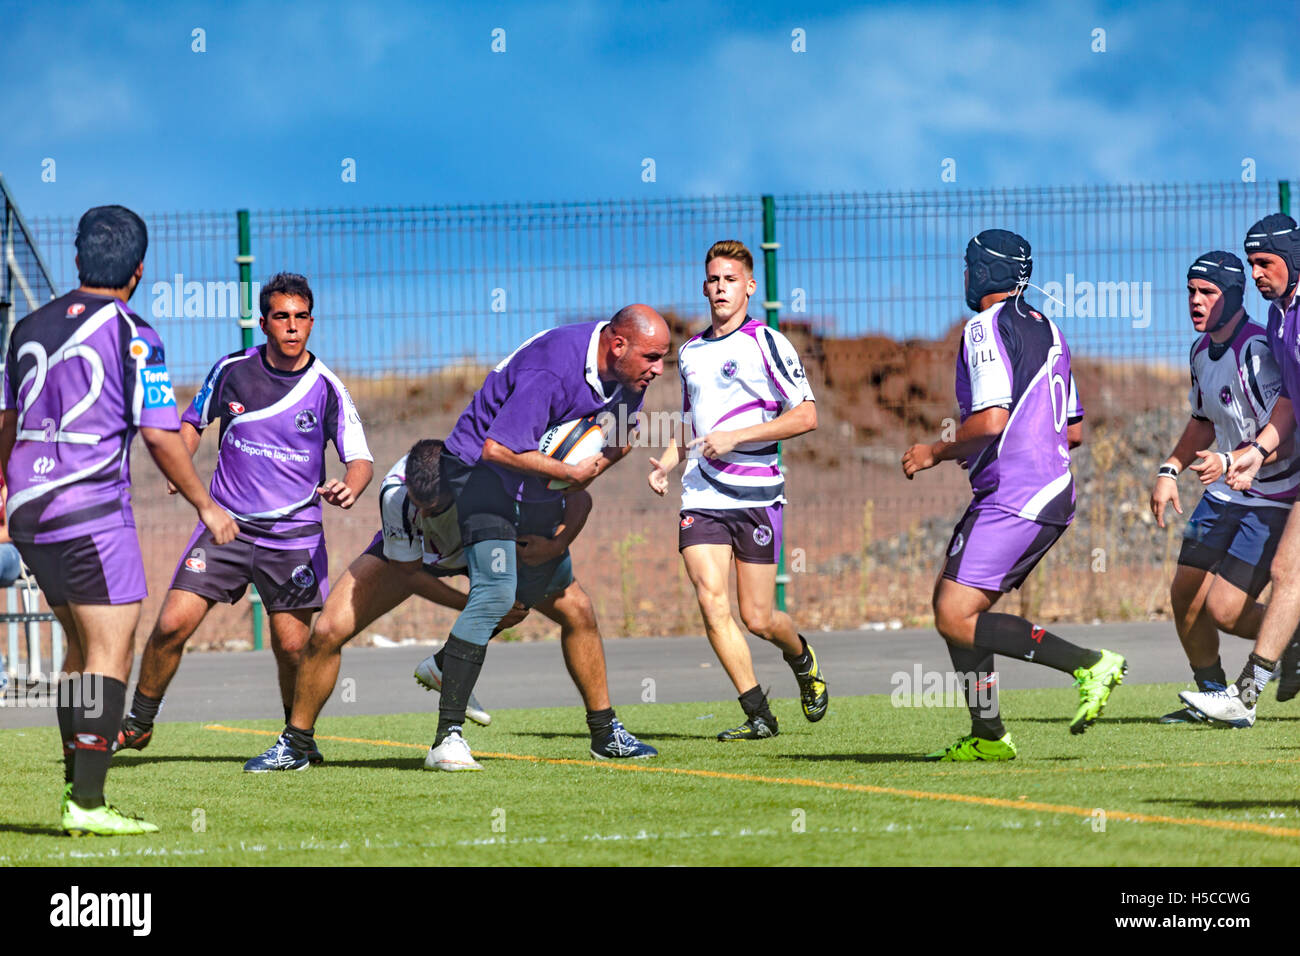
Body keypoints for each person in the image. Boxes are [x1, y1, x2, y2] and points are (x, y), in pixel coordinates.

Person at [0, 205, 237, 834]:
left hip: (29, 510)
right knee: (109, 648)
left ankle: (77, 783)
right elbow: (161, 436)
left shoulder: (26, 327)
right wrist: (207, 505)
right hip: (91, 510)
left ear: (77, 260)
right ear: (138, 270)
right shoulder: (135, 332)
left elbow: (6, 421)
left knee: (79, 648)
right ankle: (87, 801)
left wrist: (1, 488)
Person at [242, 438, 657, 771]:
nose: (424, 514)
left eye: (435, 507)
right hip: (415, 559)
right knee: (328, 631)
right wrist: (473, 605)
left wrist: (558, 542)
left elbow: (579, 500)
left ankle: (605, 735)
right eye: (418, 506)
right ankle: (296, 745)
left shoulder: (494, 479)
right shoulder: (394, 494)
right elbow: (408, 573)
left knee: (579, 612)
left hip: (487, 548)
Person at [115, 273, 373, 755]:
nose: (292, 327)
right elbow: (192, 422)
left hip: (293, 538)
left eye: (300, 318)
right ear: (264, 323)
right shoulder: (232, 370)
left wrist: (350, 487)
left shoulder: (327, 387)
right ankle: (139, 722)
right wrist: (183, 458)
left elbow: (360, 459)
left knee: (293, 647)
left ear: (312, 323)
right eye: (281, 317)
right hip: (225, 526)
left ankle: (296, 739)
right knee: (171, 624)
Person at [901, 228, 1126, 761]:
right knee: (955, 609)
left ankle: (1089, 664)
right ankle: (988, 736)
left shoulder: (982, 327)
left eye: (967, 266)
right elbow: (1072, 431)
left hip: (1017, 493)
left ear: (982, 273)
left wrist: (932, 451)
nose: (962, 277)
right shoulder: (1048, 328)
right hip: (1047, 489)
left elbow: (992, 418)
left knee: (955, 615)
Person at [416, 305, 668, 771]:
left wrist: (596, 468)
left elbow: (600, 459)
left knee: (576, 608)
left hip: (532, 480)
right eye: (651, 357)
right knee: (496, 593)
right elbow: (499, 447)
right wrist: (570, 472)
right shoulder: (553, 368)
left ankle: (604, 733)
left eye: (663, 358)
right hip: (478, 473)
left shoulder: (630, 382)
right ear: (618, 346)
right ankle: (445, 740)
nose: (658, 369)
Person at [647, 239, 827, 740]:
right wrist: (666, 462)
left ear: (749, 287)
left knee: (759, 616)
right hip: (702, 495)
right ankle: (758, 714)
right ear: (704, 287)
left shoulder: (767, 342)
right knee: (710, 599)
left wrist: (737, 437)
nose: (720, 287)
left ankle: (801, 657)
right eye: (712, 279)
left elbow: (807, 415)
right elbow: (688, 420)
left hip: (757, 497)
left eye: (729, 279)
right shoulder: (691, 352)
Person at [1150, 252, 1300, 723]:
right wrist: (1170, 468)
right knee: (1184, 591)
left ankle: (1287, 640)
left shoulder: (1258, 349)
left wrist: (1240, 458)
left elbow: (1287, 419)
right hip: (1225, 492)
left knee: (1226, 609)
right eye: (1191, 291)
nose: (1195, 301)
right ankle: (1211, 693)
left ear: (1232, 296)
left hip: (1272, 492)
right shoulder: (1199, 353)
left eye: (1208, 292)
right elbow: (1202, 421)